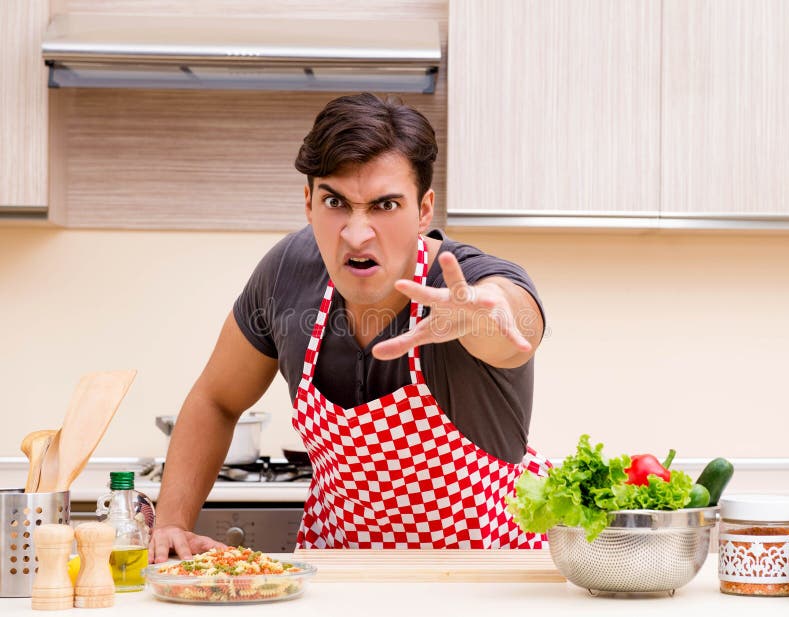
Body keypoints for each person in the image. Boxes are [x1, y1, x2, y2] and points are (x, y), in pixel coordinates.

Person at [149, 93, 549, 561]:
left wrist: (483, 313)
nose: (357, 234)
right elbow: (217, 399)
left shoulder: (462, 282)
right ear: (308, 202)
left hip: (483, 579)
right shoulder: (287, 274)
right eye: (336, 201)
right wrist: (171, 522)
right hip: (339, 578)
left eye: (385, 205)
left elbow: (516, 329)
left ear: (423, 210)